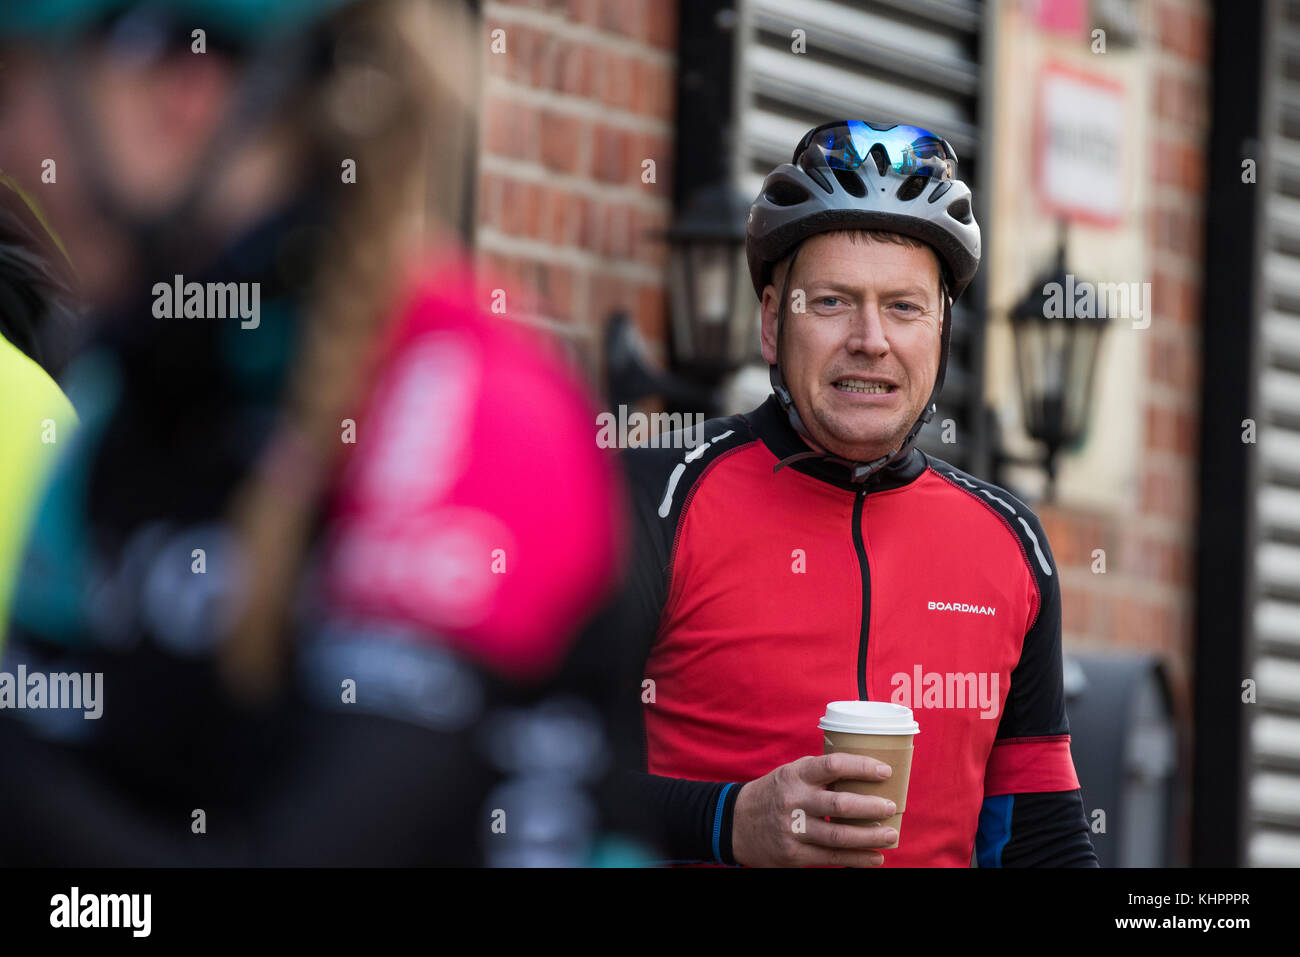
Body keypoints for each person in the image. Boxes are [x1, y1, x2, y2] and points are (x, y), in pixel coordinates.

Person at [0, 0, 637, 866]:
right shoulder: (131, 395)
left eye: (13, 95)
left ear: (178, 91)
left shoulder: (468, 404)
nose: (10, 157)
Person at [580, 120, 1100, 867]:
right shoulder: (659, 493)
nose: (870, 338)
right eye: (830, 302)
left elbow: (1041, 839)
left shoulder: (1009, 541)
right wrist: (730, 820)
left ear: (941, 330)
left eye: (904, 306)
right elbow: (538, 775)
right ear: (769, 321)